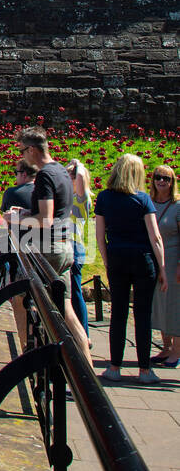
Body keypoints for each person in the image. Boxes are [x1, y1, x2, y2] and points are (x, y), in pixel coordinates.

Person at [8, 127, 93, 367]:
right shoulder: (60, 171)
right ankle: (87, 366)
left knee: (19, 300)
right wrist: (25, 212)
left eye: (23, 150)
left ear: (32, 150)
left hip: (49, 248)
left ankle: (25, 361)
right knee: (65, 308)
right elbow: (54, 213)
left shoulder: (45, 175)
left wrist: (14, 219)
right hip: (65, 246)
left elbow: (45, 220)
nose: (22, 155)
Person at [95, 153, 167, 384]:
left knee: (118, 313)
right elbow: (155, 237)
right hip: (142, 258)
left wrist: (106, 261)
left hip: (117, 256)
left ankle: (114, 366)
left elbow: (99, 235)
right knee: (142, 314)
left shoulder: (104, 198)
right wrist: (163, 268)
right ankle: (144, 370)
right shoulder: (143, 199)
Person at [150, 164, 180, 366]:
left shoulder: (177, 206)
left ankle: (177, 352)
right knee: (159, 305)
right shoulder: (149, 202)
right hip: (154, 261)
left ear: (172, 183)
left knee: (174, 306)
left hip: (172, 260)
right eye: (158, 177)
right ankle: (166, 347)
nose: (161, 181)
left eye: (166, 178)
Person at [68, 158, 93, 340]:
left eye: (71, 175)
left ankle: (83, 334)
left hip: (74, 246)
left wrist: (78, 166)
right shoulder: (69, 198)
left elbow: (81, 178)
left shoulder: (81, 199)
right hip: (65, 245)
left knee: (75, 292)